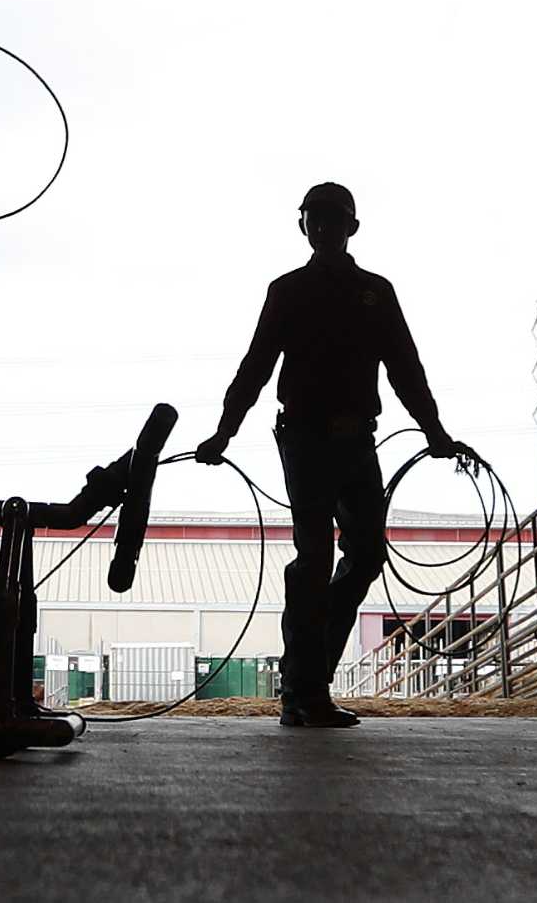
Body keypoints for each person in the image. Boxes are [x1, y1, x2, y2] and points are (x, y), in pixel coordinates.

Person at [196, 183, 462, 728]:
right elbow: (255, 367)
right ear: (303, 228)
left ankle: (309, 675)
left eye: (332, 220)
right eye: (314, 220)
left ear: (351, 228)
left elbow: (405, 367)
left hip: (358, 441)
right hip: (305, 440)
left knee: (365, 556)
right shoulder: (287, 291)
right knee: (314, 558)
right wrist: (224, 432)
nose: (322, 228)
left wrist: (434, 430)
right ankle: (304, 691)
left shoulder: (376, 292)